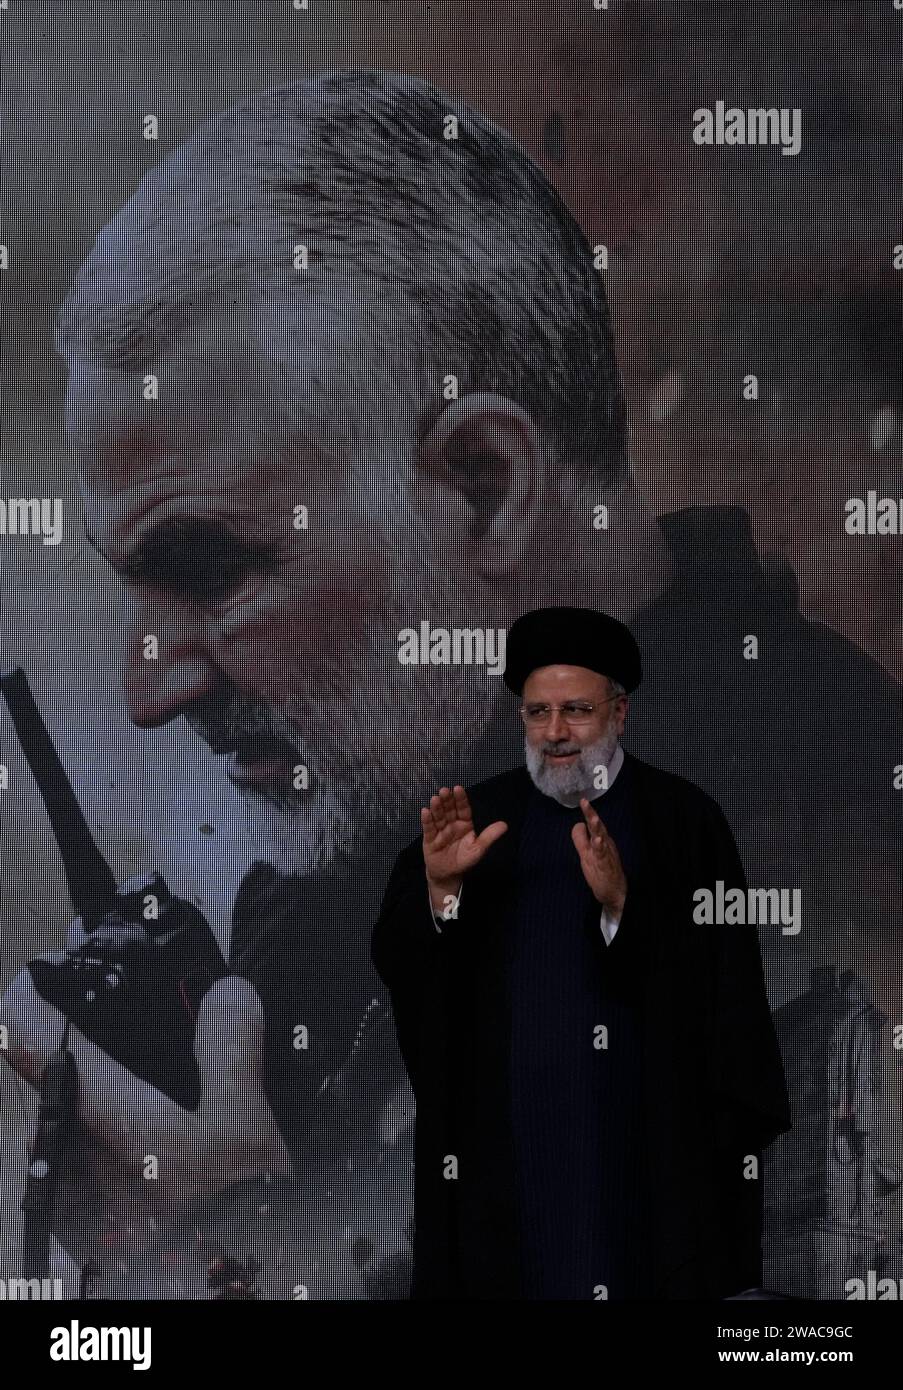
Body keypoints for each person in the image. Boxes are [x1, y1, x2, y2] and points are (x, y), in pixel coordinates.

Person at [1, 70, 899, 1298]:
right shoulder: (353, 885)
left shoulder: (832, 883)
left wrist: (239, 1248)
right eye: (130, 589)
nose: (147, 690)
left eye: (212, 566)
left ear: (485, 483)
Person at [371, 606, 792, 1300]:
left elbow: (725, 997)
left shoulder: (683, 821)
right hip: (509, 1155)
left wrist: (622, 906)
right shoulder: (474, 819)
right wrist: (441, 889)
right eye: (538, 713)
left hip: (646, 1153)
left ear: (618, 714)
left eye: (576, 710)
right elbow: (404, 968)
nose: (556, 733)